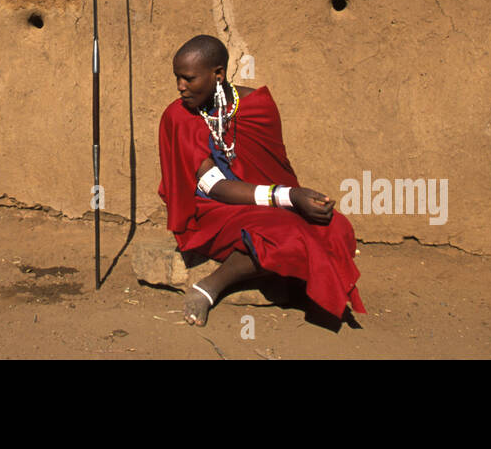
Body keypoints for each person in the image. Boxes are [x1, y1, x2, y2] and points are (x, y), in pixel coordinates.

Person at [156, 34, 366, 326]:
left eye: (188, 78)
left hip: (266, 200)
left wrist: (294, 199)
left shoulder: (257, 106)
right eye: (177, 78)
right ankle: (209, 287)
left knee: (334, 225)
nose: (180, 87)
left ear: (218, 74)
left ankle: (297, 277)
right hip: (213, 210)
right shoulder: (177, 116)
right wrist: (289, 198)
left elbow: (273, 168)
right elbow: (213, 185)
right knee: (282, 233)